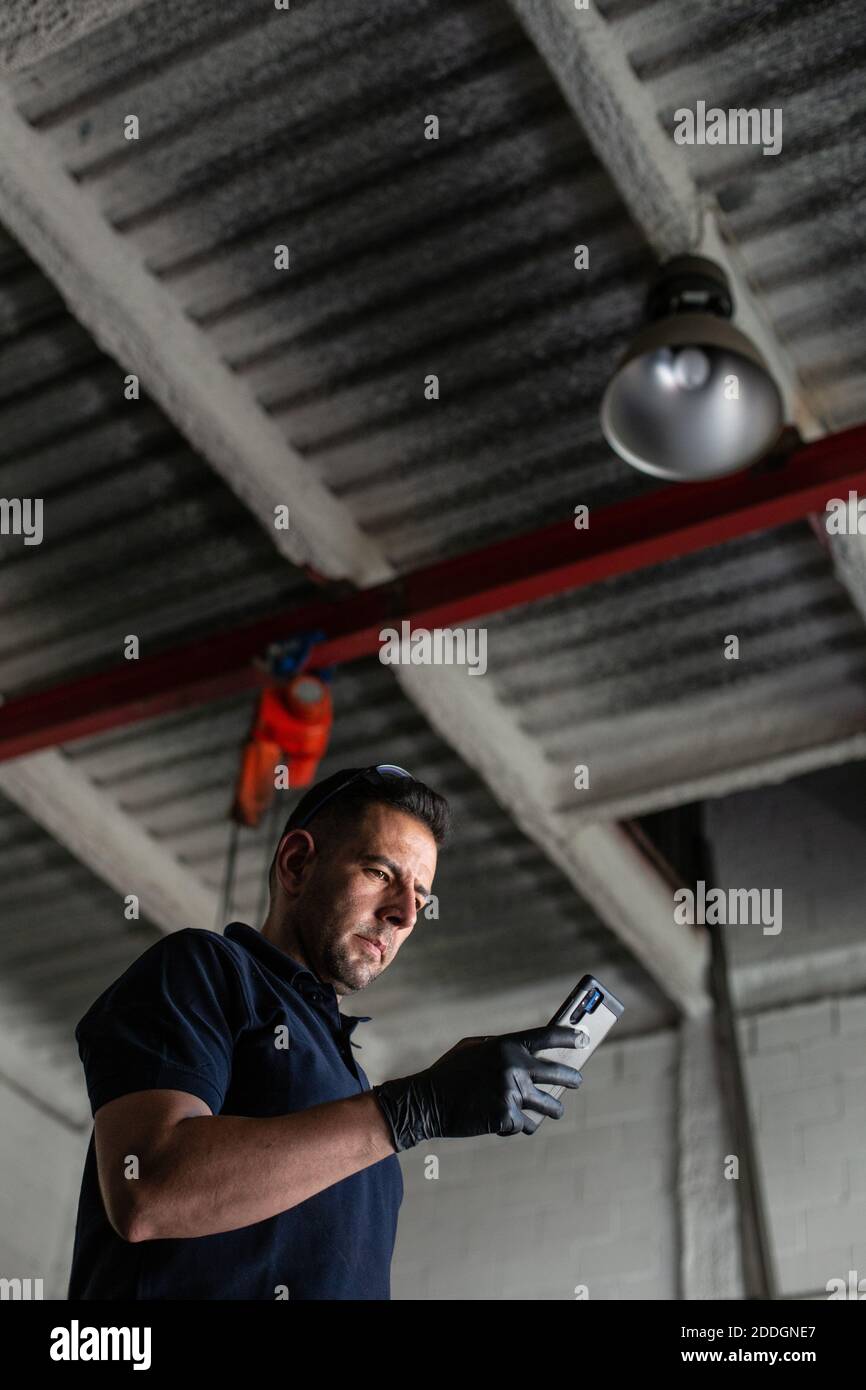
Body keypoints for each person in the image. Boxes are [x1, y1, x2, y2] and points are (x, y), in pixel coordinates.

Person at [67, 764, 583, 1300]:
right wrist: (414, 1107)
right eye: (381, 873)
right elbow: (146, 1188)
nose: (405, 913)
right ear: (296, 863)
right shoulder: (204, 969)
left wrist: (406, 1110)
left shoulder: (353, 1086)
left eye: (421, 900)